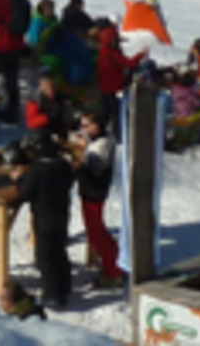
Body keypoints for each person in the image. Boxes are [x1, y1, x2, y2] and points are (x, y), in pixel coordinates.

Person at [14, 131, 76, 310]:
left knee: (46, 256)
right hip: (62, 214)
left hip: (44, 216)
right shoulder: (63, 165)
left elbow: (25, 194)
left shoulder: (38, 170)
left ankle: (53, 294)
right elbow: (70, 181)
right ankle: (65, 286)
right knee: (59, 251)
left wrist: (19, 181)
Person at [75, 106, 127, 286]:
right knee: (97, 231)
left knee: (96, 233)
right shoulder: (101, 140)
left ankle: (114, 271)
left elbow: (90, 171)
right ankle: (114, 264)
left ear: (97, 125)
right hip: (93, 190)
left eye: (86, 126)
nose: (83, 129)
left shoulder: (101, 145)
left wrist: (81, 155)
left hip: (93, 192)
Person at [95, 16, 146, 98]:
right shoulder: (111, 52)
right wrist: (141, 55)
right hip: (115, 85)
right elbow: (128, 63)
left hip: (105, 85)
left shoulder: (102, 49)